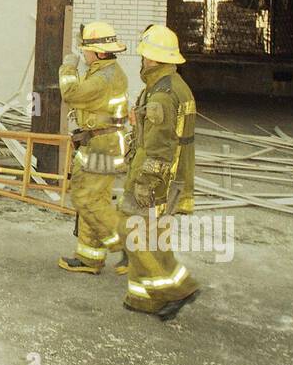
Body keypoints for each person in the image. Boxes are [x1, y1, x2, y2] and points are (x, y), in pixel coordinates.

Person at [120, 24, 200, 321]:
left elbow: (161, 146)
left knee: (136, 236)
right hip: (172, 177)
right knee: (153, 238)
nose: (141, 60)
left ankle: (180, 289)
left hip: (158, 180)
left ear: (152, 58)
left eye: (144, 55)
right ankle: (144, 299)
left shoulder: (163, 95)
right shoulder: (171, 86)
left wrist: (146, 182)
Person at [58, 21, 130, 275]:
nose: (83, 54)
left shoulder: (103, 78)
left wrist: (68, 66)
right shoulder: (104, 70)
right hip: (96, 144)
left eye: (86, 50)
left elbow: (71, 93)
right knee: (92, 200)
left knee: (90, 201)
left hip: (103, 146)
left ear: (100, 52)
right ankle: (90, 257)